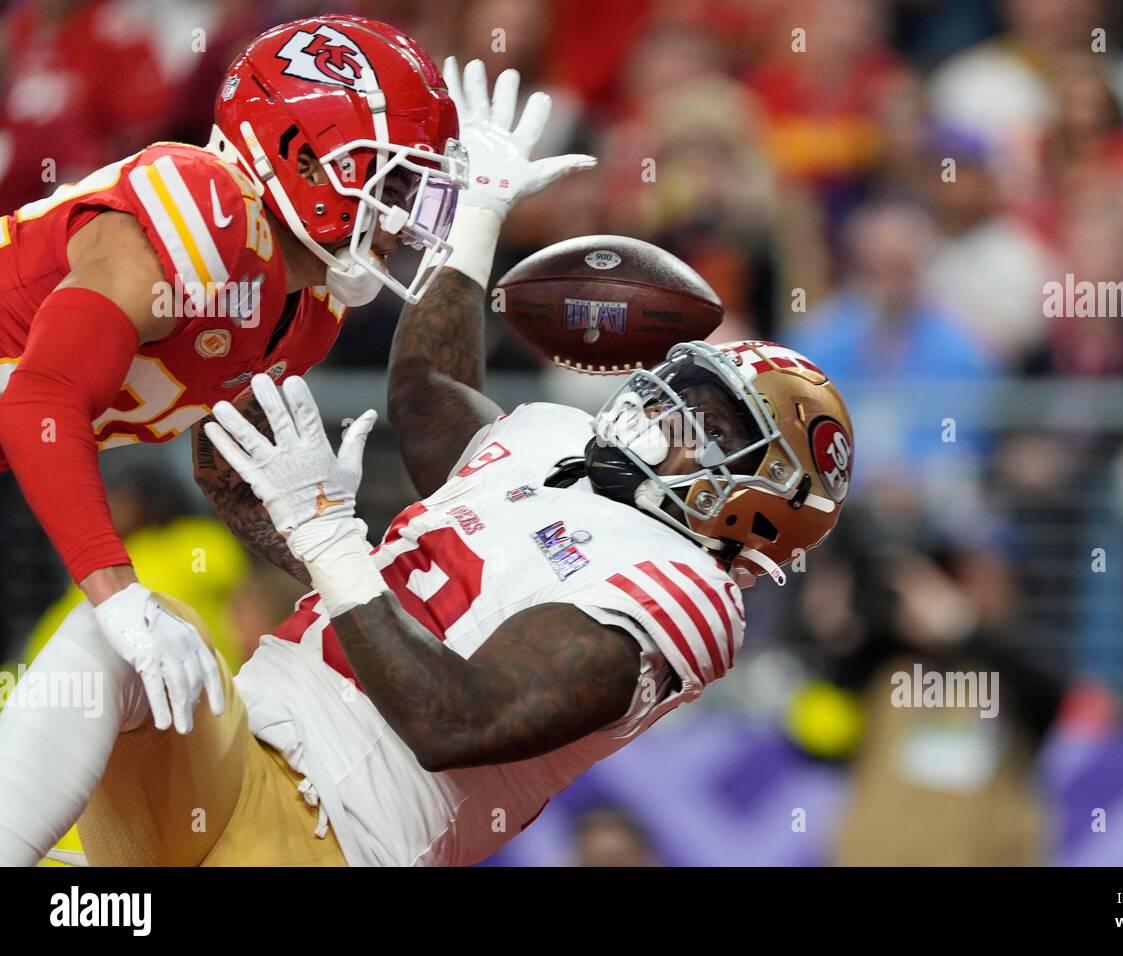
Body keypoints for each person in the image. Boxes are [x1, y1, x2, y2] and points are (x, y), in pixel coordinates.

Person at [0, 76, 854, 866]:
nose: (670, 410)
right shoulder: (559, 447)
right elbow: (428, 388)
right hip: (234, 751)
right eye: (685, 390)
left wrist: (330, 538)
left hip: (326, 834)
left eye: (712, 424)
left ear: (762, 503)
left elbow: (455, 719)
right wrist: (477, 212)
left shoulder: (688, 592)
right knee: (123, 634)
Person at [0, 14, 589, 736]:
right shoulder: (202, 210)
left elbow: (227, 468)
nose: (406, 216)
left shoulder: (308, 309)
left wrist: (337, 552)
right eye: (394, 179)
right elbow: (40, 397)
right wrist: (118, 593)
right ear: (303, 162)